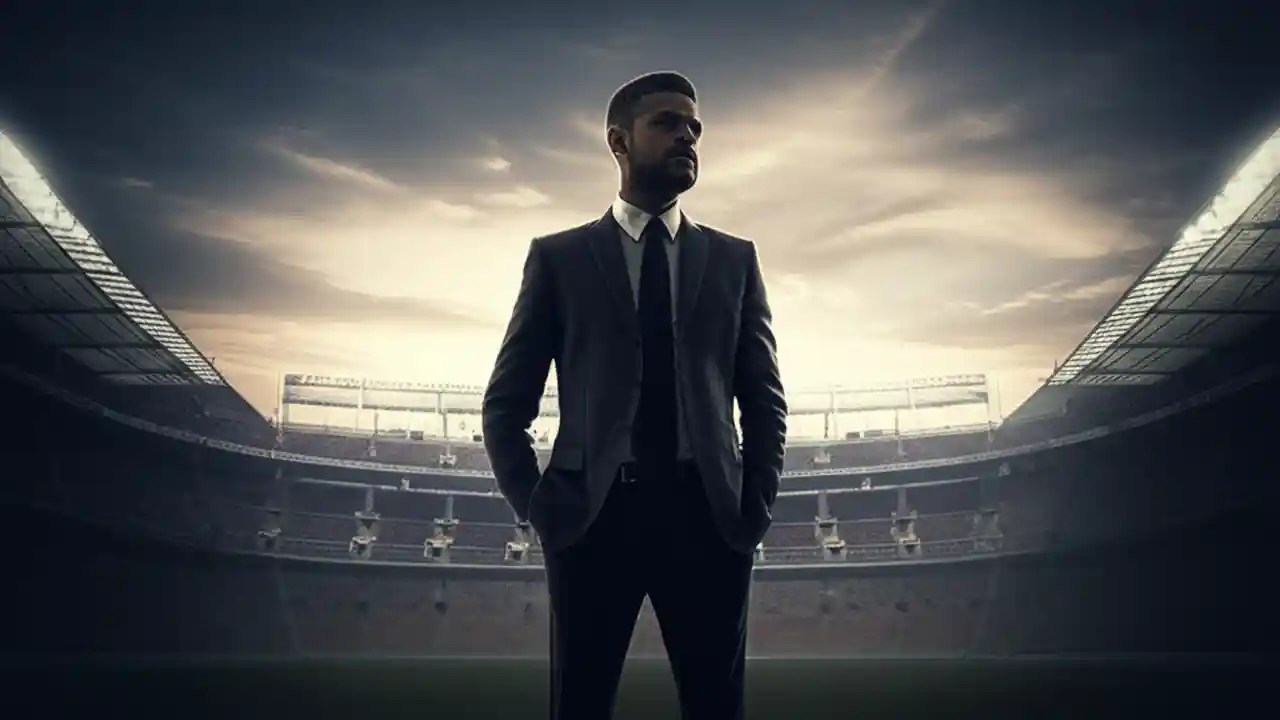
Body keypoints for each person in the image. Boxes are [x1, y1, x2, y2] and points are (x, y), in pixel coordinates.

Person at [482, 70, 787, 720]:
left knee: (716, 707)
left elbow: (764, 400)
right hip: (593, 521)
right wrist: (541, 506)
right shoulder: (559, 259)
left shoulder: (735, 261)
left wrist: (753, 505)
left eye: (695, 127)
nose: (688, 137)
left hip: (708, 521)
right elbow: (506, 404)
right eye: (668, 123)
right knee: (581, 706)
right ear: (618, 141)